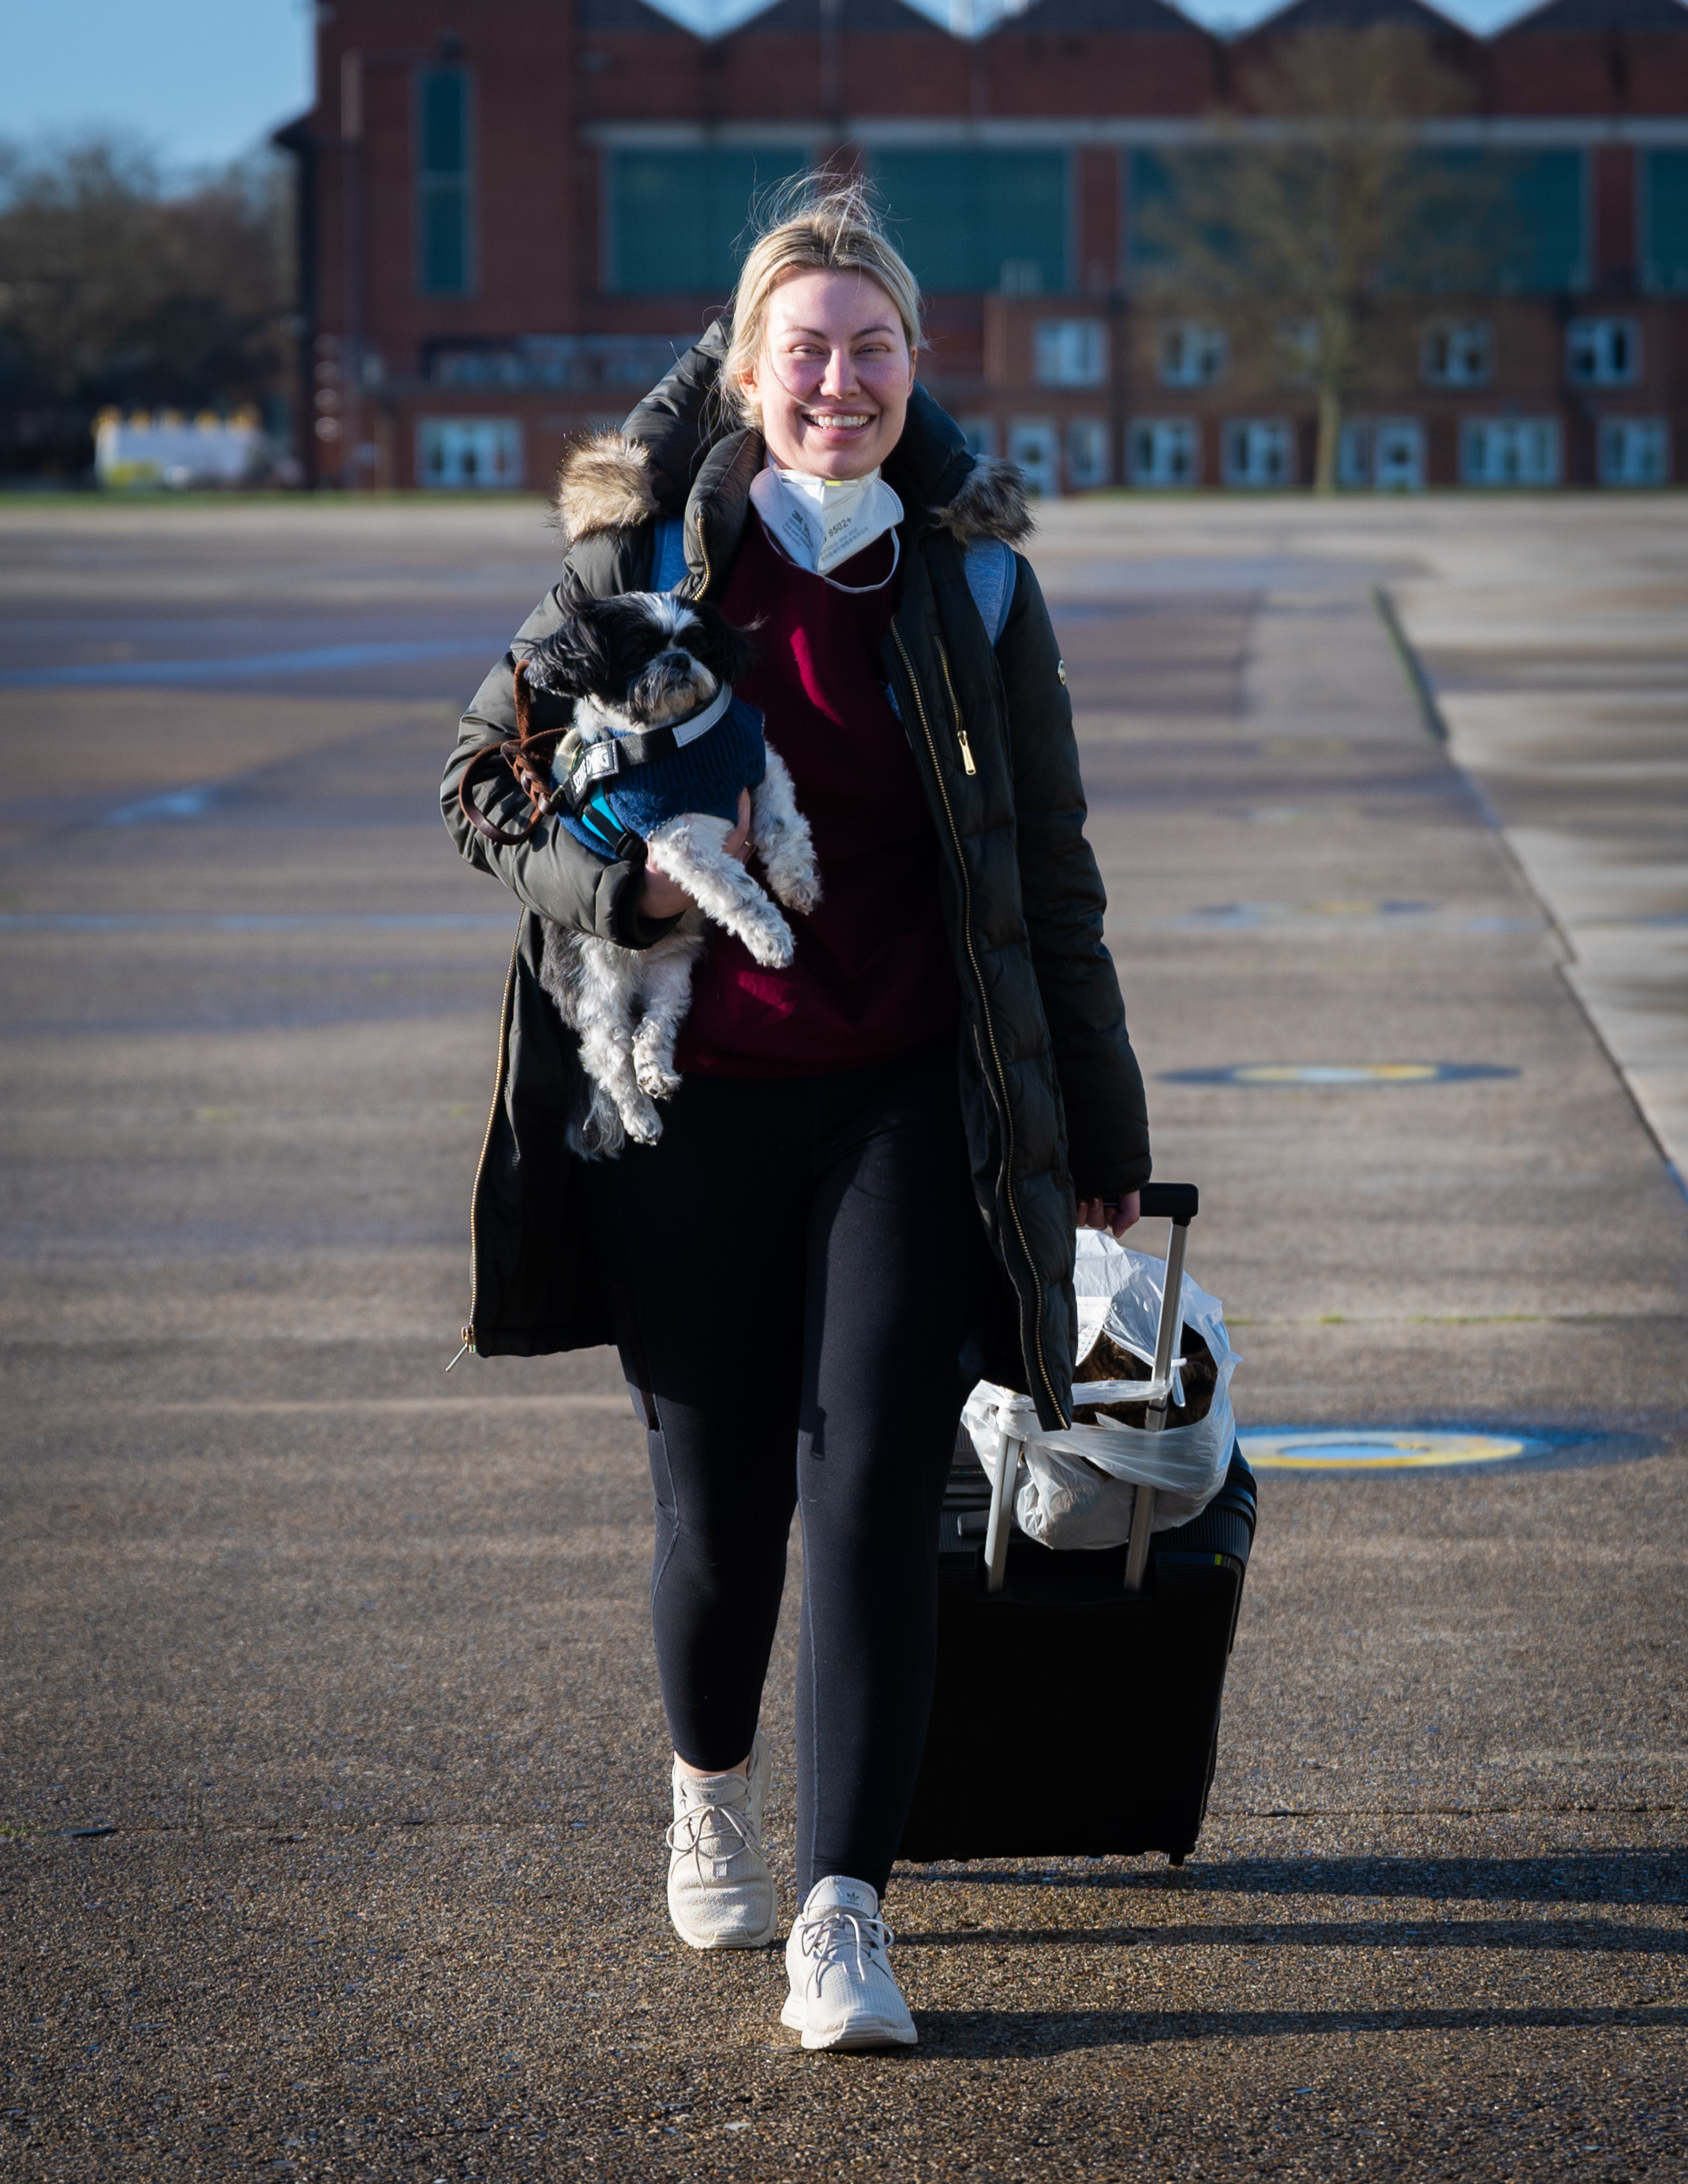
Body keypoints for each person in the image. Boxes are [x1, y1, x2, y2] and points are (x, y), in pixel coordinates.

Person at [440, 178, 1150, 2052]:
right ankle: (706, 1787)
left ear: (915, 369)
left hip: (905, 1101)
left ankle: (845, 1910)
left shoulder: (975, 580)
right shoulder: (631, 569)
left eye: (873, 349)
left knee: (869, 1501)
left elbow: (1049, 878)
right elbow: (476, 788)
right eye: (803, 350)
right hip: (681, 1110)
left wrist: (1102, 1139)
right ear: (744, 372)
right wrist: (634, 896)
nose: (838, 381)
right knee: (720, 1512)